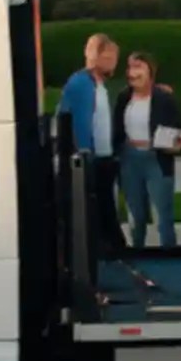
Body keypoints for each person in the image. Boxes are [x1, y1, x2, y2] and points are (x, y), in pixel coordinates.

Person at [56, 33, 127, 254]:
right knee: (98, 207)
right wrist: (85, 153)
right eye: (108, 55)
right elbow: (78, 120)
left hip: (104, 157)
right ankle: (109, 248)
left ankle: (111, 247)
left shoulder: (99, 85)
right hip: (91, 158)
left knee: (104, 206)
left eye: (114, 56)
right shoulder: (81, 83)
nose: (113, 61)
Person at [112, 51, 181, 249]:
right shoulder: (123, 97)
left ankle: (169, 257)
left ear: (150, 71)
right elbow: (115, 128)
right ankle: (137, 254)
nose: (133, 72)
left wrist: (176, 144)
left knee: (163, 216)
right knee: (136, 215)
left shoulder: (164, 98)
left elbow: (179, 128)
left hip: (157, 158)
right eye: (130, 67)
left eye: (138, 67)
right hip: (130, 159)